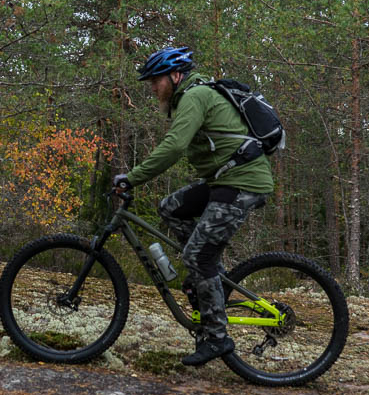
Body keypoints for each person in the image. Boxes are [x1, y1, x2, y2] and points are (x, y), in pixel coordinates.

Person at [112, 46, 274, 366]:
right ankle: (206, 281)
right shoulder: (191, 96)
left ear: (175, 76)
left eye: (155, 81)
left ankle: (217, 338)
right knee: (170, 207)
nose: (152, 88)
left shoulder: (194, 96)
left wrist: (132, 177)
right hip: (224, 179)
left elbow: (174, 147)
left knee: (198, 255)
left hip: (243, 182)